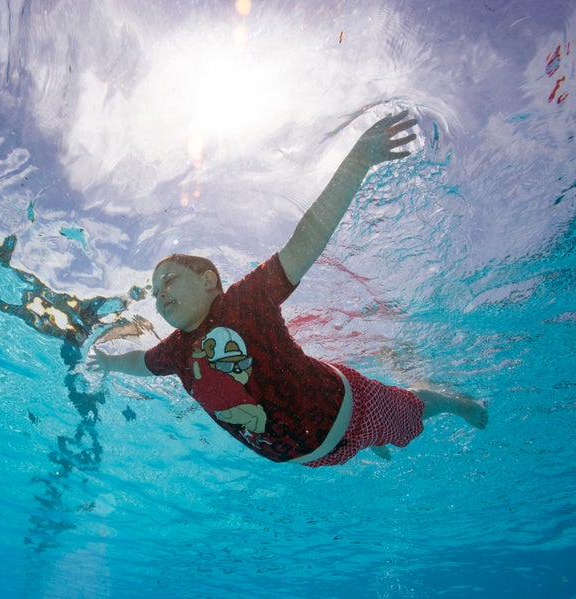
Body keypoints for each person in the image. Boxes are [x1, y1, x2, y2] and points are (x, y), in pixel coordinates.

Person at [92, 110, 488, 467]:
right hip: (315, 458)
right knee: (367, 443)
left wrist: (359, 161)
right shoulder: (175, 353)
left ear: (209, 280)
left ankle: (454, 402)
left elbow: (305, 242)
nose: (160, 295)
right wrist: (109, 363)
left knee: (415, 408)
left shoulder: (244, 302)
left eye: (169, 279)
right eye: (155, 292)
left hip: (356, 411)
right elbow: (138, 362)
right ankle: (368, 444)